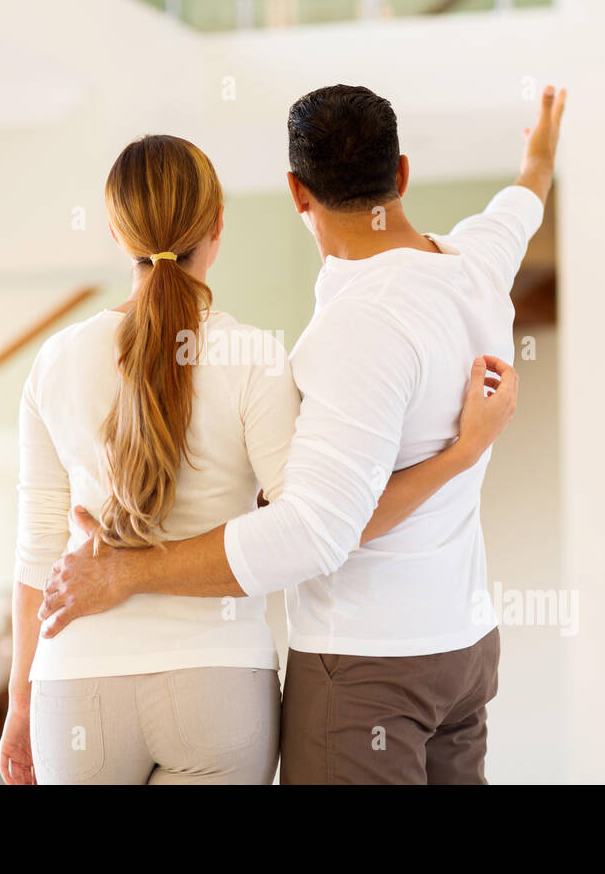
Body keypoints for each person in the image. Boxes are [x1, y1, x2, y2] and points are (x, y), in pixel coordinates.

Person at [38, 84, 567, 784]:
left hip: (371, 668)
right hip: (464, 654)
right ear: (401, 173)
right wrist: (539, 156)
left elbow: (316, 532)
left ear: (295, 191)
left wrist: (125, 571)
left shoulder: (357, 329)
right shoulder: (473, 265)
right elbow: (518, 208)